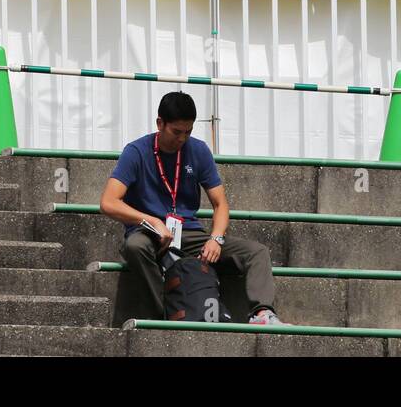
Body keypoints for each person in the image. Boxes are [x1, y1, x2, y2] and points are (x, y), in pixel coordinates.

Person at [100, 91, 283, 324]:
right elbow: (108, 202)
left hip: (190, 234)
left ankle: (262, 314)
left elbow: (220, 203)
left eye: (188, 132)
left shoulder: (198, 150)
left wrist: (216, 238)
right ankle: (161, 317)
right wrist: (151, 221)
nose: (182, 138)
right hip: (150, 233)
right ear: (160, 123)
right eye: (176, 132)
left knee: (256, 252)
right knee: (135, 246)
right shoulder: (136, 151)